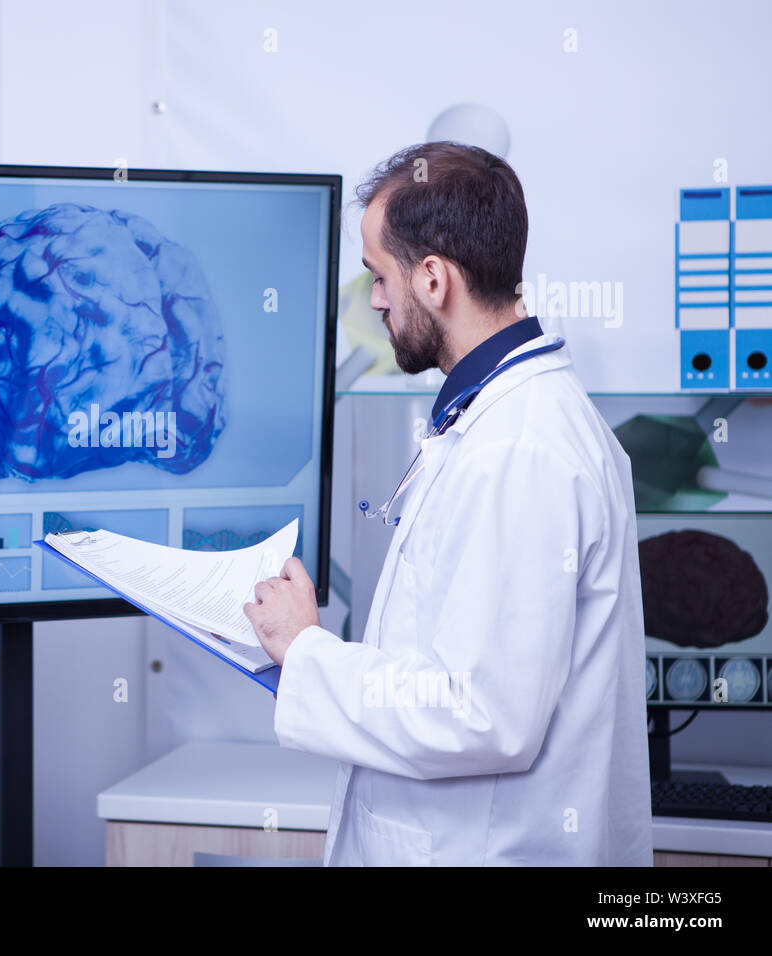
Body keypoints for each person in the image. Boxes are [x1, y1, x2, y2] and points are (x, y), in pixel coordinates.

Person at [243, 142, 653, 866]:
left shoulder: (520, 451)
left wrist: (305, 650)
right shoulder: (499, 422)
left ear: (432, 278)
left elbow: (483, 715)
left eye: (378, 276)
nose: (373, 300)